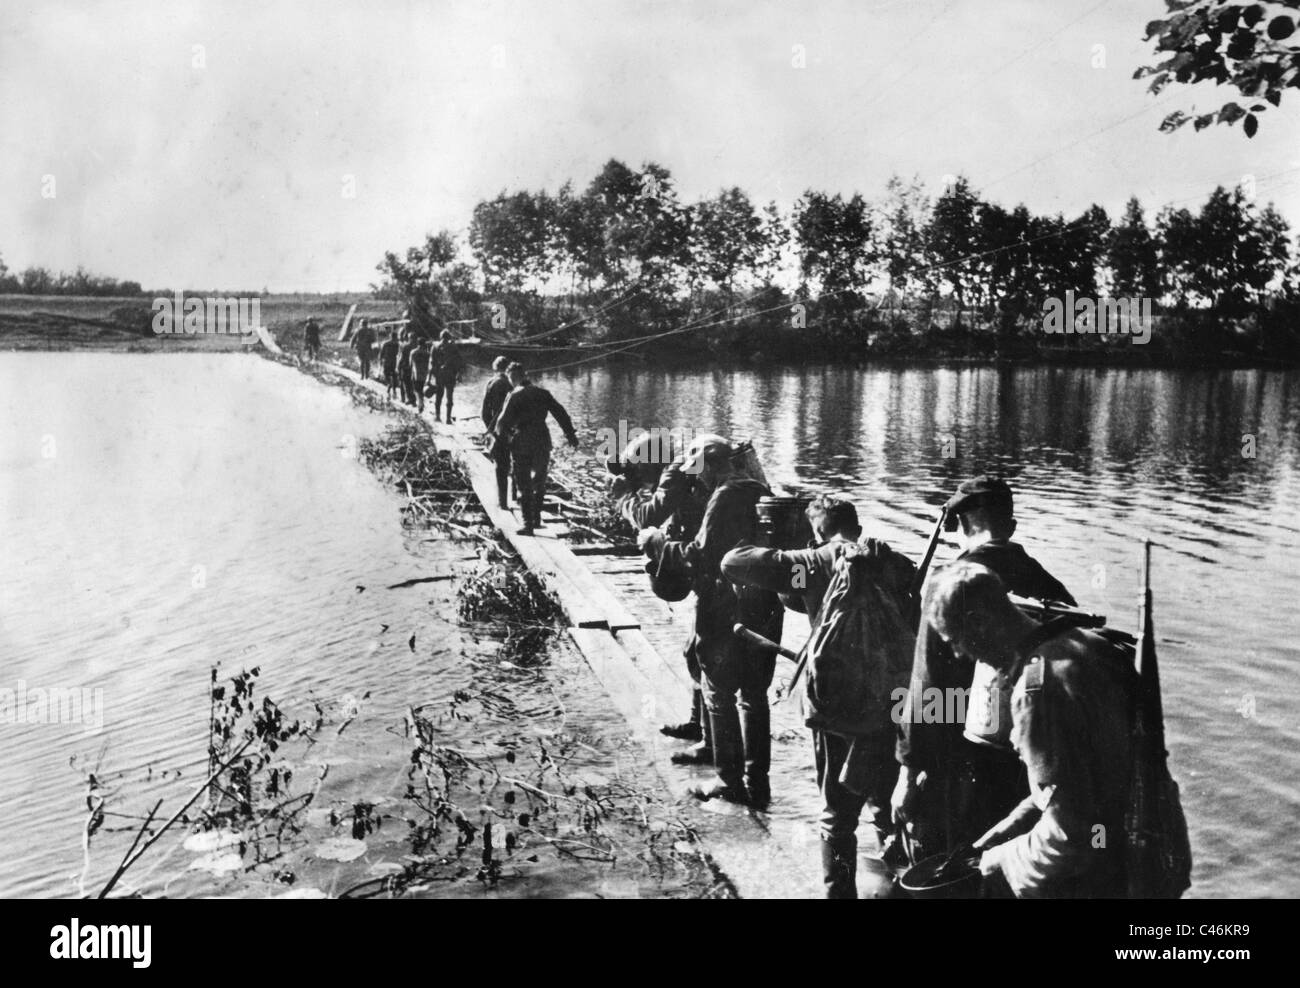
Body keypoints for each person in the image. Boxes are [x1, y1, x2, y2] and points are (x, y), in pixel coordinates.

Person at [722, 497, 916, 896]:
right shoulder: (891, 559)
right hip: (891, 701)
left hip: (837, 702)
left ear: (818, 532)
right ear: (857, 528)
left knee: (836, 813)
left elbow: (732, 561)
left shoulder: (810, 563)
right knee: (885, 800)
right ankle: (898, 884)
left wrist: (792, 545)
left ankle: (839, 893)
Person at [892, 475, 1076, 858]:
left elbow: (928, 686)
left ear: (961, 525)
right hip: (1036, 757)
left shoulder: (952, 583)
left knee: (961, 858)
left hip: (967, 757)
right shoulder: (1046, 583)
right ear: (1010, 525)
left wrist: (909, 772)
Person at [923, 562, 1133, 898]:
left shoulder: (1036, 694)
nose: (957, 654)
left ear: (979, 622)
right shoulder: (1088, 645)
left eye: (954, 640)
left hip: (1098, 877)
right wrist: (1002, 832)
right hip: (1137, 853)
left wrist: (993, 864)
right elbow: (1080, 785)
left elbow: (1068, 837)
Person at [638, 436, 783, 808]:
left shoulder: (724, 495)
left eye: (698, 473)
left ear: (712, 466)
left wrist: (656, 544)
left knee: (718, 691)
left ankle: (729, 783)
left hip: (725, 605)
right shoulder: (759, 489)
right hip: (764, 603)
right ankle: (758, 785)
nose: (696, 482)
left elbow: (701, 556)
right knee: (754, 696)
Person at [610, 432, 710, 762]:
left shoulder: (675, 472)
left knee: (702, 652)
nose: (643, 483)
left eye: (640, 474)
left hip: (717, 576)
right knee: (694, 651)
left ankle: (711, 744)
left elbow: (646, 517)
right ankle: (699, 727)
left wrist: (625, 497)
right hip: (713, 570)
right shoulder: (688, 470)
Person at [492, 363, 578, 536]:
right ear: (525, 375)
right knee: (539, 481)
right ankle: (537, 518)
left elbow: (501, 423)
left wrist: (504, 439)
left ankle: (528, 525)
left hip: (522, 441)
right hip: (542, 440)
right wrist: (571, 436)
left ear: (511, 377)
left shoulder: (514, 395)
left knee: (524, 483)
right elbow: (560, 413)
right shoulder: (543, 393)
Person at [481, 356, 515, 508]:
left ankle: (503, 502)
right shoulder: (512, 383)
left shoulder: (491, 383)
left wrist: (491, 428)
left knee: (500, 464)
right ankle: (515, 496)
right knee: (516, 461)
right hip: (513, 428)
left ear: (495, 368)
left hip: (497, 428)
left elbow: (484, 411)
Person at [431, 330, 465, 423]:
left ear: (440, 337)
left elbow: (432, 363)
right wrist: (459, 373)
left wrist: (432, 375)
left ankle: (437, 416)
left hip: (439, 375)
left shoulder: (435, 346)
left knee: (439, 396)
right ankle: (448, 418)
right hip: (450, 374)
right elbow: (459, 361)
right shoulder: (453, 347)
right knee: (449, 397)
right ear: (449, 337)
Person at [410, 336, 432, 413]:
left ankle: (420, 404)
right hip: (424, 374)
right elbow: (430, 365)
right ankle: (421, 403)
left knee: (417, 390)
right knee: (421, 390)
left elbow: (410, 364)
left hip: (416, 374)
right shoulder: (427, 353)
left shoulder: (413, 352)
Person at [379, 329, 400, 400]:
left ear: (390, 336)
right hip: (394, 361)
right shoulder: (397, 344)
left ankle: (389, 384)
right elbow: (398, 354)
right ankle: (394, 389)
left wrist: (380, 360)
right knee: (394, 376)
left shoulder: (385, 343)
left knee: (386, 374)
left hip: (387, 361)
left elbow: (381, 353)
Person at [398, 329, 417, 406]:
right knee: (412, 384)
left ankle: (409, 399)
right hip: (414, 368)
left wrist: (398, 366)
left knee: (405, 383)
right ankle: (412, 399)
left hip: (406, 367)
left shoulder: (405, 346)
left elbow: (401, 358)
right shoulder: (417, 346)